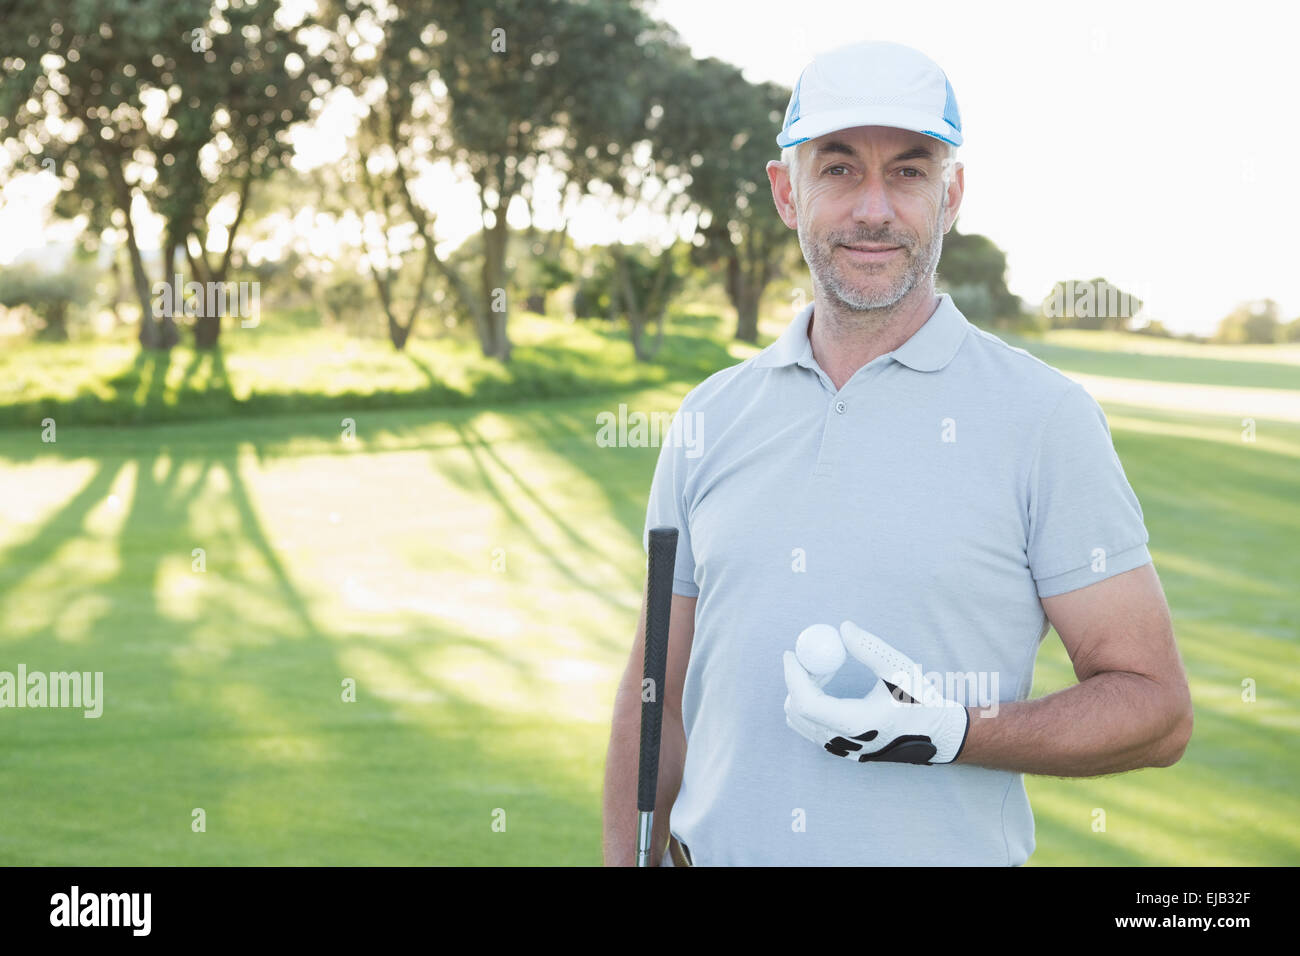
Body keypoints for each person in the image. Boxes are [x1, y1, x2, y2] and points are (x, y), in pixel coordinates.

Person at [601, 40, 1192, 866]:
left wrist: (953, 731)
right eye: (839, 170)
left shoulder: (1045, 419)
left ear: (951, 196)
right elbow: (654, 693)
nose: (873, 210)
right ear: (786, 192)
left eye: (909, 173)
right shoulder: (709, 417)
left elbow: (1156, 709)